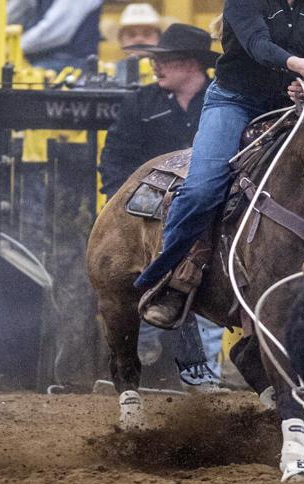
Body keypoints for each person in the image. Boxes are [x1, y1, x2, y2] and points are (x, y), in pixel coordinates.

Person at [132, 0, 304, 331]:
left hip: (302, 101)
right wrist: (298, 65)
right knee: (202, 189)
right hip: (235, 100)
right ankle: (170, 276)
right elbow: (257, 44)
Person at [98, 23, 225, 386]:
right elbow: (116, 159)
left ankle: (196, 372)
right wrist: (123, 208)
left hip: (207, 207)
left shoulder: (222, 103)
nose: (155, 66)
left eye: (164, 60)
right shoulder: (140, 102)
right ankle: (192, 373)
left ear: (190, 64)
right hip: (149, 209)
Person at [6, 0, 104, 73]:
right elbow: (11, 16)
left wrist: (11, 48)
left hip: (69, 61)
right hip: (37, 57)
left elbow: (55, 31)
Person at [106, 3, 166, 86]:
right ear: (120, 40)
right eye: (131, 34)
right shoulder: (108, 73)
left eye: (147, 34)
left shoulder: (170, 73)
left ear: (160, 38)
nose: (139, 39)